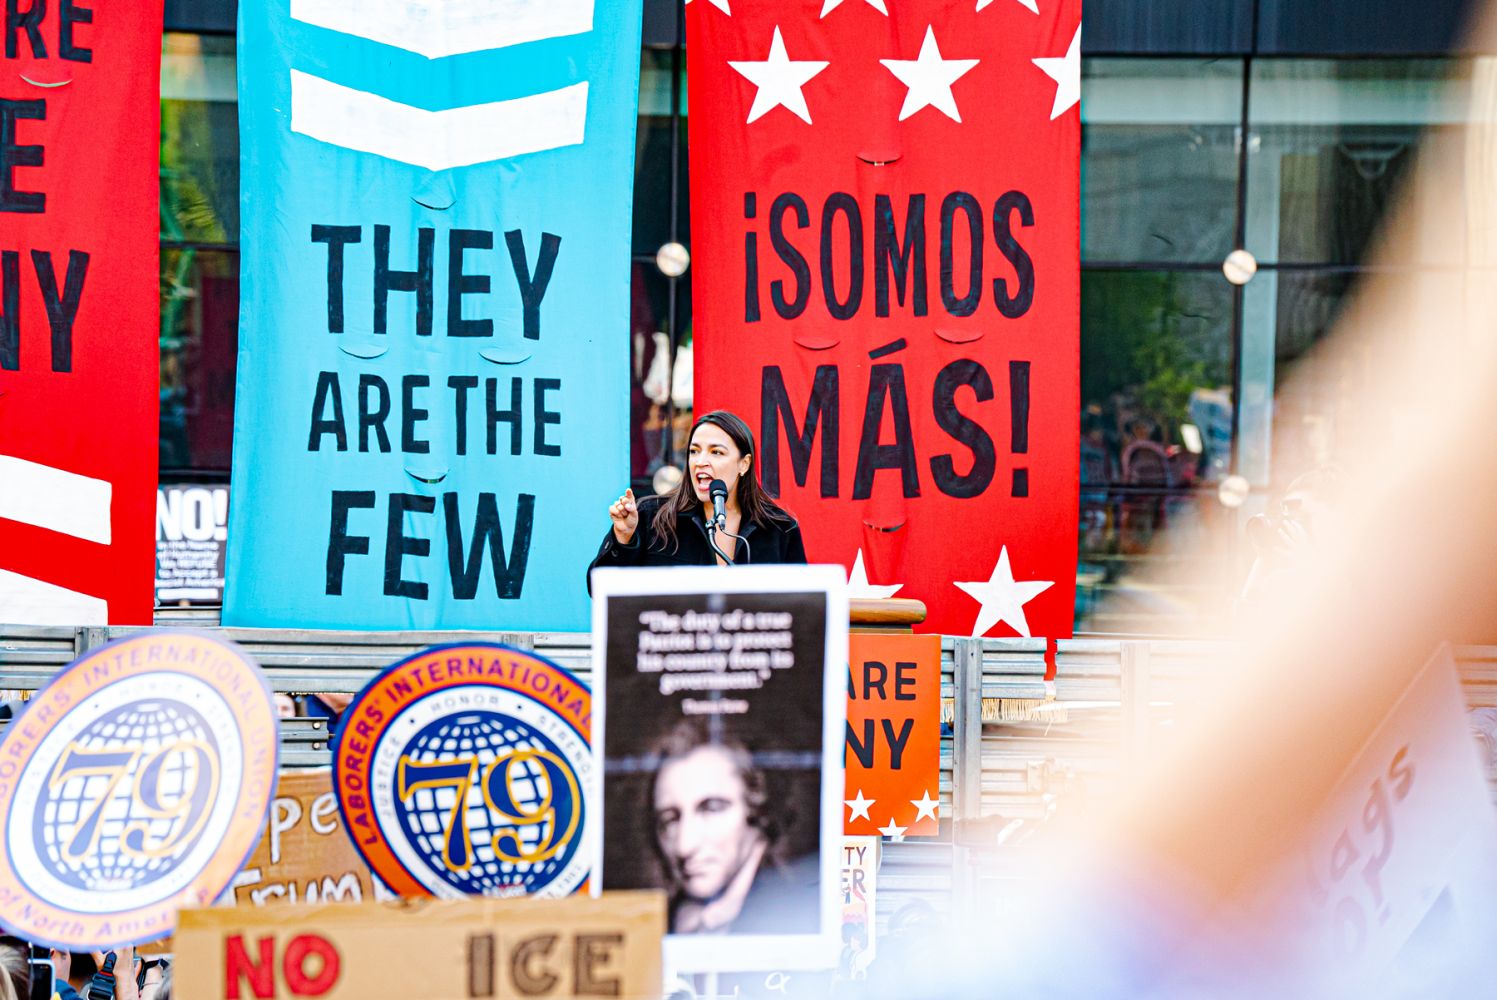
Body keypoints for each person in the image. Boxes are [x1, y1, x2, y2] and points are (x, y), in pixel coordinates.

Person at [588, 411, 806, 588]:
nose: (700, 461)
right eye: (694, 451)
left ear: (744, 464)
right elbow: (599, 588)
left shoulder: (780, 529)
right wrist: (624, 538)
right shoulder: (651, 516)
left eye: (716, 453)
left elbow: (802, 605)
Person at [648, 720, 818, 935]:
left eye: (711, 809)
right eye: (670, 820)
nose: (684, 845)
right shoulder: (664, 921)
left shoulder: (796, 917)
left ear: (759, 811)